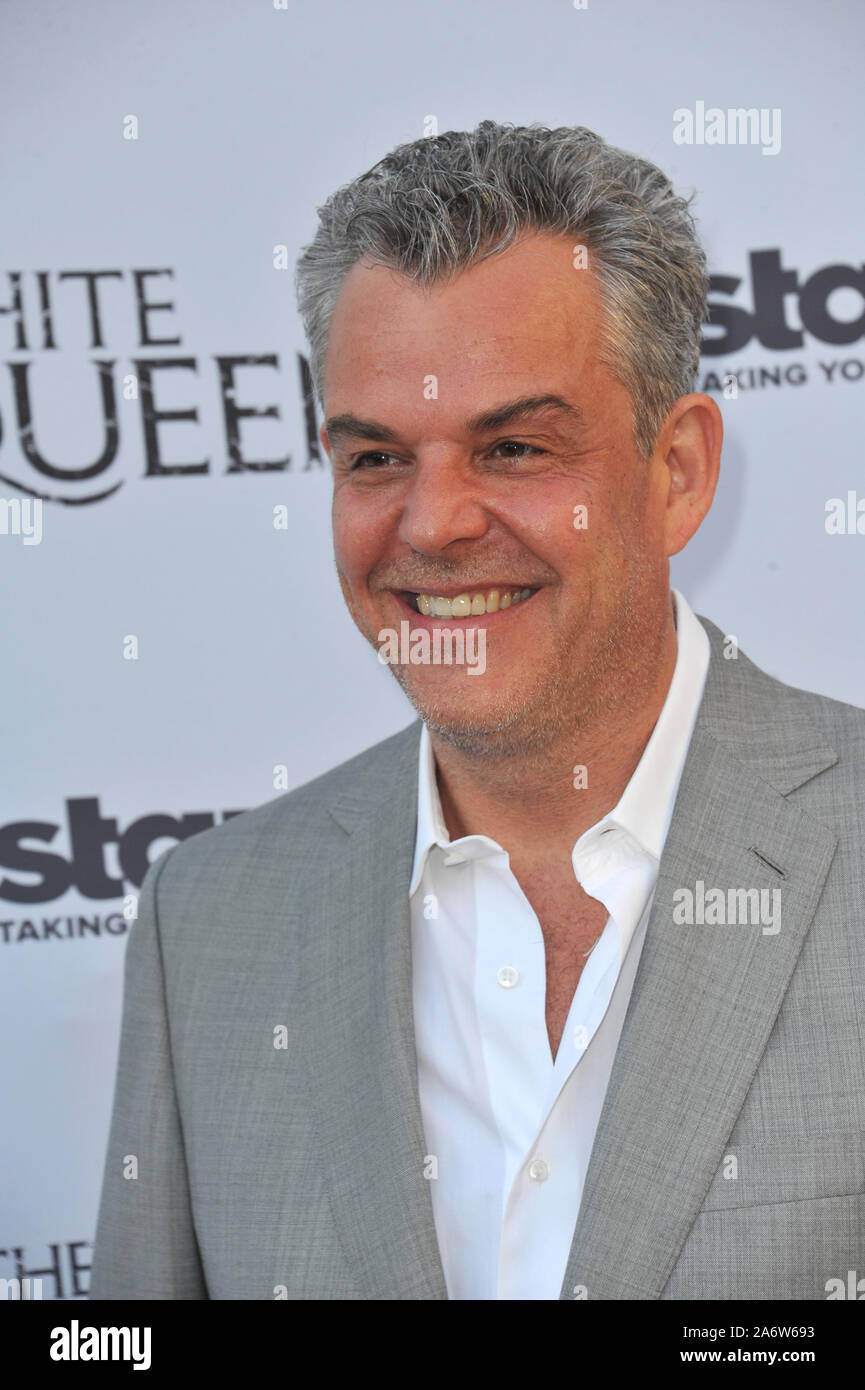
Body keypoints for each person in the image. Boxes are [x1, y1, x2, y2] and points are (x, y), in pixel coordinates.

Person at [90, 121, 865, 1301]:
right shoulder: (208, 923)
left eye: (511, 447)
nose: (432, 524)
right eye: (376, 459)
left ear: (678, 471)